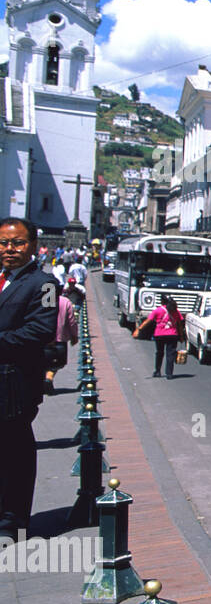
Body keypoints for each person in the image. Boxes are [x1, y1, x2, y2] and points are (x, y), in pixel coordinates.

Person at [0, 218, 60, 545]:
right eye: (4, 243)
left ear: (33, 246)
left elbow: (41, 331)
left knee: (14, 452)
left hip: (15, 384)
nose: (10, 249)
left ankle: (13, 521)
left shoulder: (45, 284)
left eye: (18, 243)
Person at [133, 294, 184, 379]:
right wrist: (181, 336)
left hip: (159, 335)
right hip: (172, 335)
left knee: (159, 353)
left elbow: (148, 321)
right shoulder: (175, 311)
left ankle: (157, 371)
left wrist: (139, 329)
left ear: (162, 301)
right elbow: (179, 325)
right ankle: (169, 374)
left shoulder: (158, 310)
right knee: (170, 354)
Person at [44, 289, 79, 394]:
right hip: (60, 339)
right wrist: (74, 336)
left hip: (43, 339)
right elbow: (72, 321)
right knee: (57, 363)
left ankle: (45, 380)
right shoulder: (65, 301)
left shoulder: (41, 301)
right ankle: (49, 377)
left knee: (43, 362)